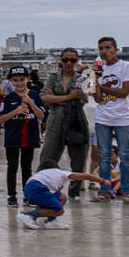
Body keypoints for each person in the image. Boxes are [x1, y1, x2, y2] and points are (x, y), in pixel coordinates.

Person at [39, 49, 91, 196]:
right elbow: (43, 97)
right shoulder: (53, 77)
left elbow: (82, 100)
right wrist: (69, 97)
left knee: (78, 161)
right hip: (55, 121)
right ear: (61, 60)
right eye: (66, 60)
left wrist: (56, 98)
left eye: (72, 60)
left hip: (76, 122)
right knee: (47, 158)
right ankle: (43, 190)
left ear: (77, 61)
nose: (68, 63)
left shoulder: (82, 78)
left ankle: (74, 193)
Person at [92, 36, 129, 204]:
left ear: (115, 49)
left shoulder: (127, 67)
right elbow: (97, 98)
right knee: (103, 155)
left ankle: (125, 191)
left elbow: (124, 92)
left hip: (122, 118)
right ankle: (104, 190)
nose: (104, 51)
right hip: (102, 116)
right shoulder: (98, 70)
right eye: (101, 48)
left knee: (125, 155)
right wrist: (93, 81)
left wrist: (101, 86)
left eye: (107, 48)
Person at [0, 66, 44, 207]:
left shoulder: (35, 95)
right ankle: (11, 195)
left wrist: (30, 102)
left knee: (27, 167)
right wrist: (16, 111)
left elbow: (41, 115)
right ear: (11, 81)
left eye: (22, 80)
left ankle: (28, 194)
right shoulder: (8, 98)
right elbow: (0, 119)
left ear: (28, 79)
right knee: (12, 166)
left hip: (29, 136)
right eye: (16, 80)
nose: (19, 83)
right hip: (12, 137)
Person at [18, 168, 106, 230]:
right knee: (59, 211)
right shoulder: (63, 174)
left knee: (62, 197)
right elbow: (86, 176)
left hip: (29, 188)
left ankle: (51, 222)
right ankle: (27, 215)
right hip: (37, 188)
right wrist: (103, 181)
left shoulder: (45, 175)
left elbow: (43, 202)